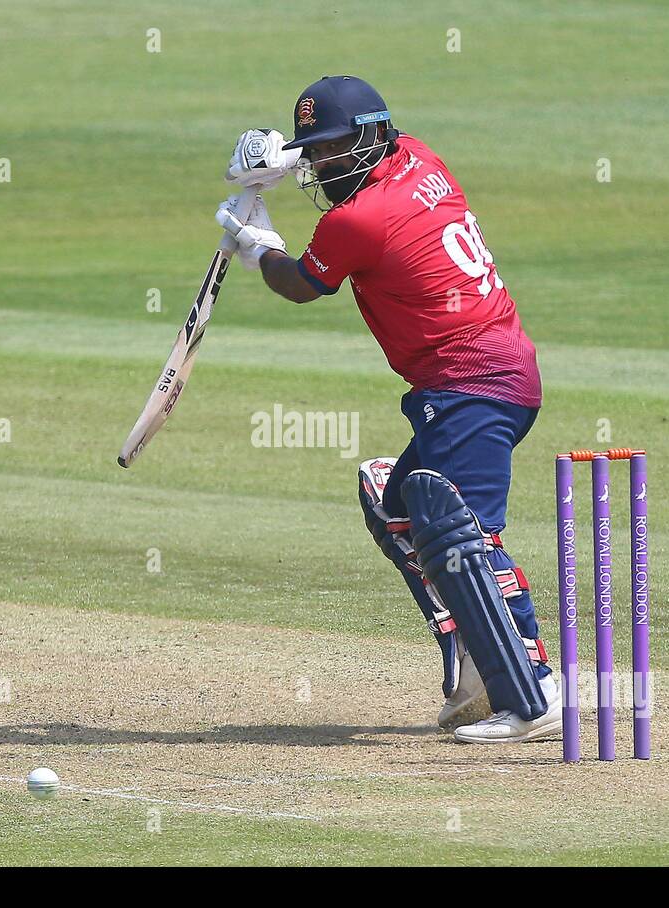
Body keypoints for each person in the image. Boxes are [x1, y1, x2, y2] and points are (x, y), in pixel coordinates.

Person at [216, 76, 558, 744]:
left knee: (466, 536)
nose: (327, 163)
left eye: (337, 147)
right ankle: (483, 670)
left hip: (470, 384)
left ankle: (533, 690)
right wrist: (284, 158)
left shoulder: (355, 221)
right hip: (488, 375)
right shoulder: (421, 157)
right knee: (396, 505)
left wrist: (260, 247)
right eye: (317, 151)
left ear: (375, 134)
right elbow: (342, 163)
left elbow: (301, 286)